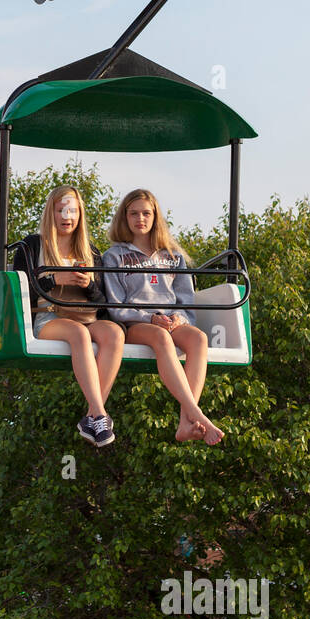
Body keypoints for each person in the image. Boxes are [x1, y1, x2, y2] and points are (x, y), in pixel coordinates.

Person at [101, 188, 223, 445]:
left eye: (146, 213)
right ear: (125, 217)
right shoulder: (114, 256)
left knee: (198, 339)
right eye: (133, 214)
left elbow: (185, 298)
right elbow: (115, 305)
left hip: (170, 320)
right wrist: (149, 318)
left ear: (155, 217)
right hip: (136, 323)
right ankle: (196, 413)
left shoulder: (173, 256)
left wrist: (180, 318)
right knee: (161, 337)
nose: (140, 219)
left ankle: (184, 421)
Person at [7, 185, 125, 447]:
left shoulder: (90, 251)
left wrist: (88, 285)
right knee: (79, 334)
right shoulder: (33, 245)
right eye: (61, 210)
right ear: (52, 213)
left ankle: (93, 416)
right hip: (49, 317)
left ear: (80, 214)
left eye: (72, 210)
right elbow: (20, 288)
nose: (66, 217)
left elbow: (102, 302)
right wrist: (53, 279)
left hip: (86, 316)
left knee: (114, 333)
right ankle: (99, 412)